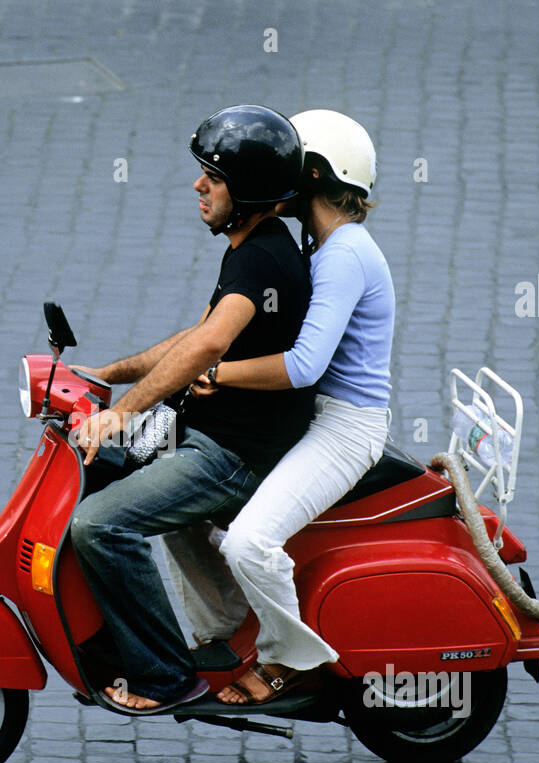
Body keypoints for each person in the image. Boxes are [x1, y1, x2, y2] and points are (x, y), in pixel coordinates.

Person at [70, 105, 314, 714]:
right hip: (211, 439)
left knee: (99, 524)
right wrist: (102, 376)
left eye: (213, 176)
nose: (198, 185)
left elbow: (207, 345)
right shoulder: (254, 248)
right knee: (110, 481)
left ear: (250, 190)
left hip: (232, 457)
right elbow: (197, 334)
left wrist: (119, 413)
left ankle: (162, 677)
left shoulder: (262, 260)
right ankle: (222, 636)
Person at [162, 109, 396, 705]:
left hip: (344, 429)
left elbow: (304, 365)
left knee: (248, 543)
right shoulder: (320, 245)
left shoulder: (344, 254)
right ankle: (221, 629)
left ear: (312, 174)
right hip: (315, 418)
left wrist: (216, 371)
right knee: (180, 502)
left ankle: (289, 659)